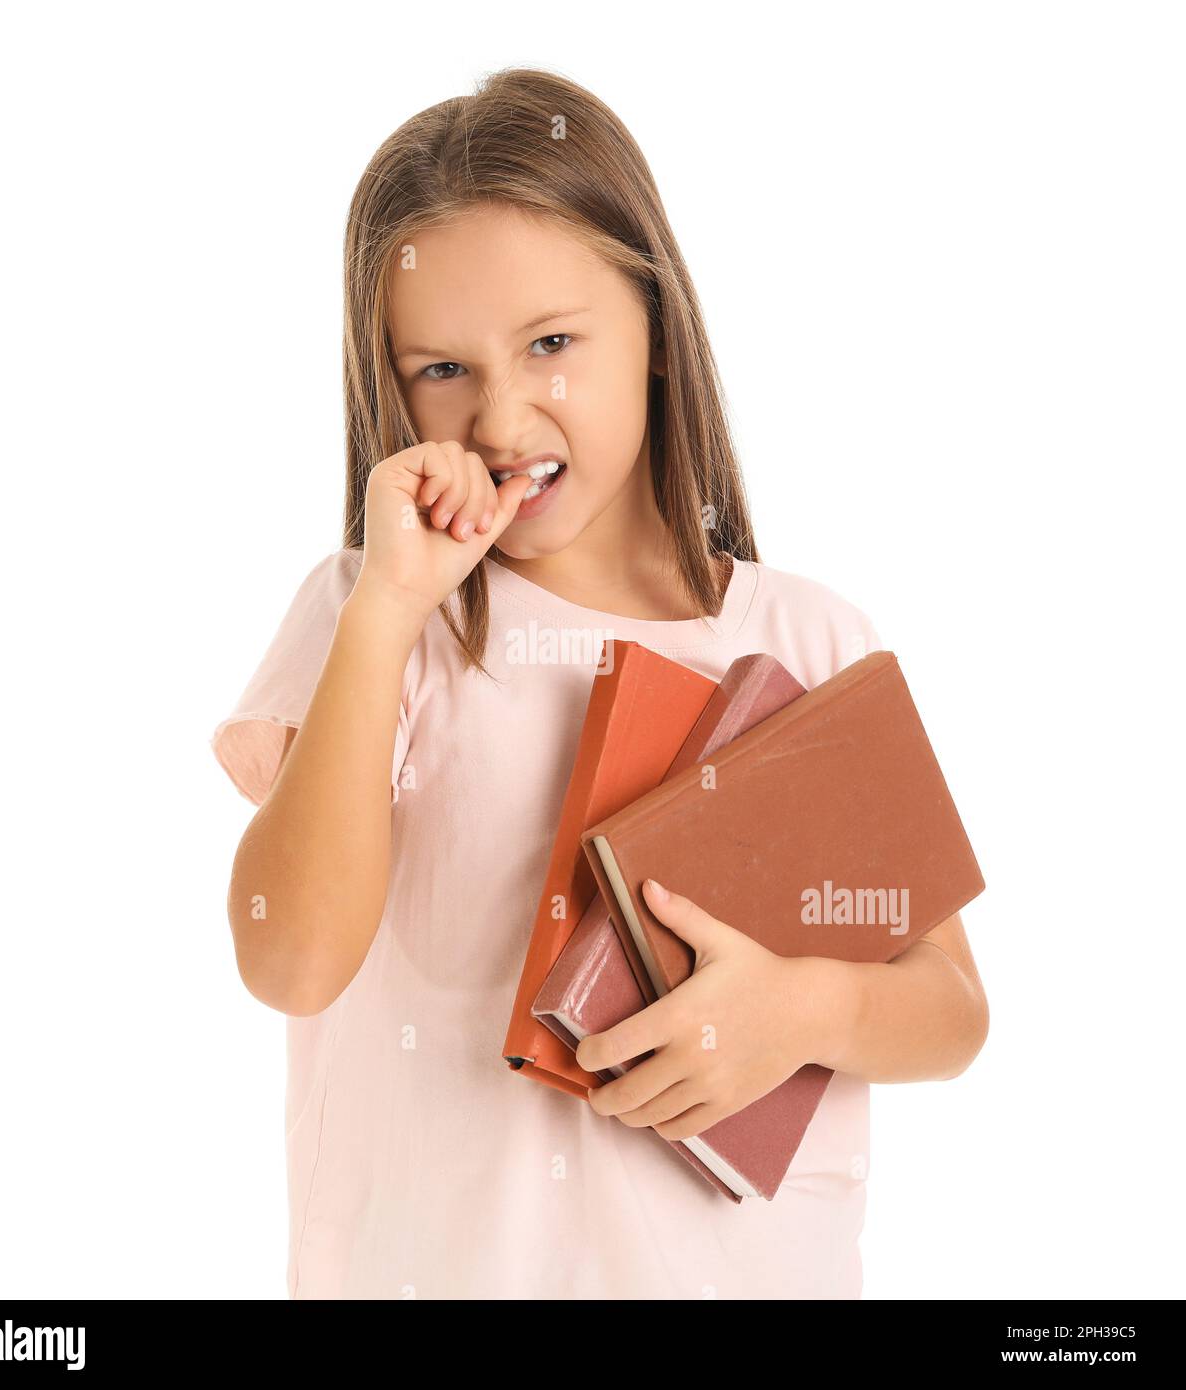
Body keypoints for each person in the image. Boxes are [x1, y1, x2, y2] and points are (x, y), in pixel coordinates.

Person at [210, 66, 989, 1300]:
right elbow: (288, 962)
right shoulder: (378, 614)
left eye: (552, 344)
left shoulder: (811, 636)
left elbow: (950, 1004)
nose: (502, 414)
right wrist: (386, 612)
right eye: (439, 369)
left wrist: (802, 1013)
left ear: (659, 334)